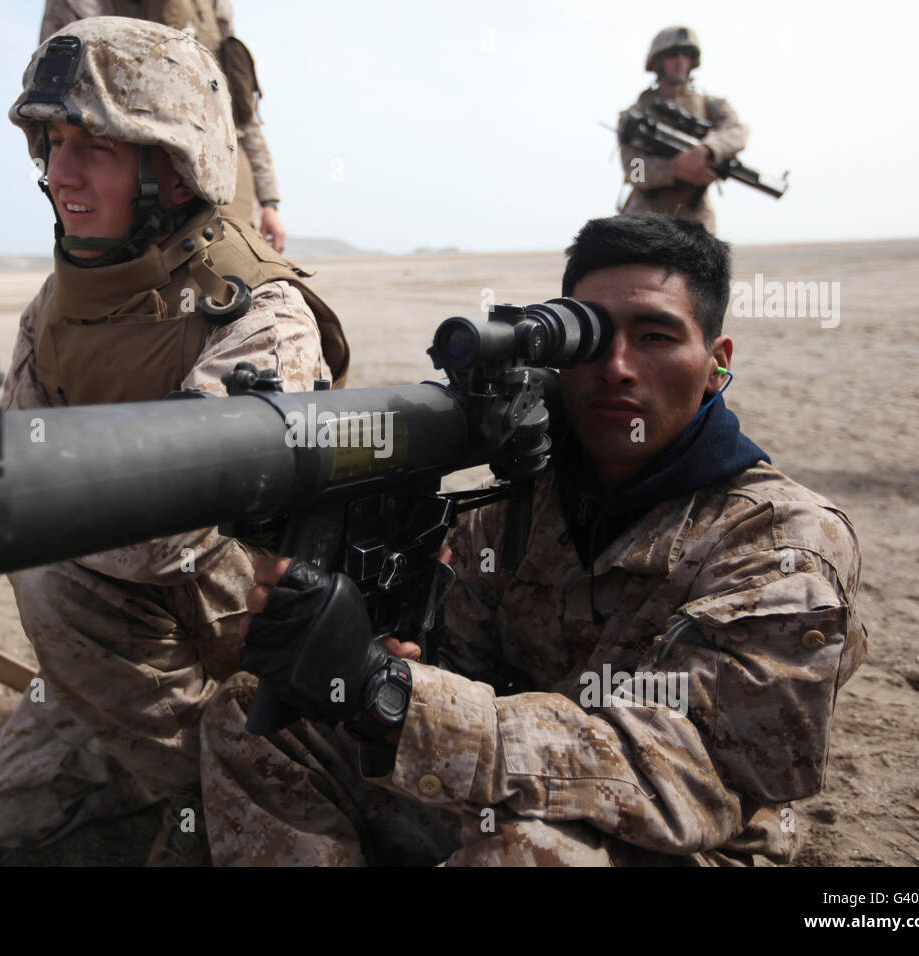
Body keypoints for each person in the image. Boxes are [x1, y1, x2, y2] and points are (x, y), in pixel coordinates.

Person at [199, 213, 867, 866]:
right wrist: (368, 626)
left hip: (687, 836)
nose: (619, 368)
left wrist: (388, 692)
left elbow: (696, 773)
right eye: (593, 340)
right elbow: (459, 667)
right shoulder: (526, 500)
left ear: (716, 363)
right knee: (255, 718)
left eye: (657, 337)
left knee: (525, 853)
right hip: (519, 783)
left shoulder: (783, 541)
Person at [0, 16, 349, 862]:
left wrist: (25, 513)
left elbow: (172, 529)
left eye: (94, 147)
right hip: (134, 605)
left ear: (173, 173)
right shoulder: (65, 300)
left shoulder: (255, 312)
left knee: (52, 569)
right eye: (54, 140)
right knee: (13, 807)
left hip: (248, 609)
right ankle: (194, 747)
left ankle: (245, 770)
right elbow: (15, 440)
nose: (59, 172)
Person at [39, 0, 289, 251]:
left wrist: (268, 202)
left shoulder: (214, 6)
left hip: (226, 185)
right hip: (137, 200)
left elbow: (240, 109)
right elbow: (55, 106)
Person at [618, 26, 748, 235]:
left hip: (695, 217)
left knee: (712, 264)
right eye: (672, 54)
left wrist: (705, 150)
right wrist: (674, 169)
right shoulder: (636, 114)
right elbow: (635, 171)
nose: (680, 61)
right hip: (644, 216)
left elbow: (737, 131)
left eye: (686, 55)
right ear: (657, 61)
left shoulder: (710, 105)